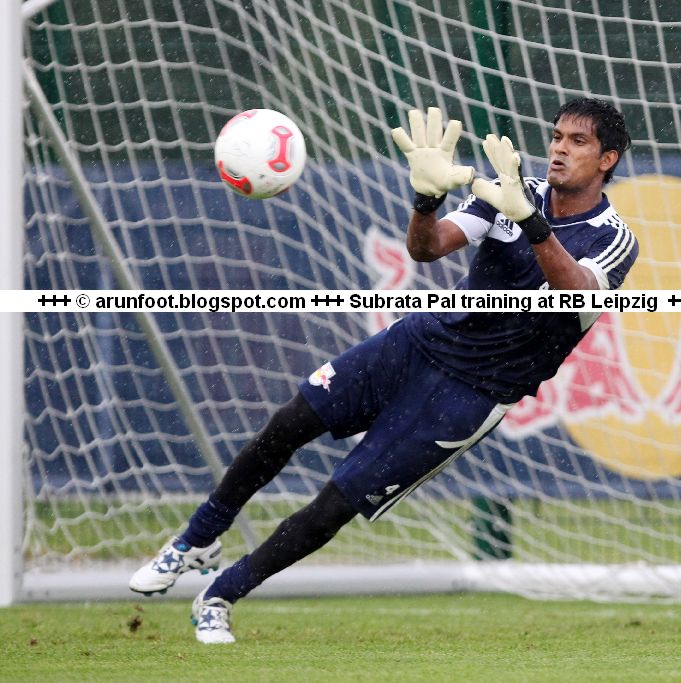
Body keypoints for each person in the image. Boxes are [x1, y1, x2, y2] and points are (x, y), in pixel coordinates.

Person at [128, 97, 637, 644]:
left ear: (606, 159)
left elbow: (575, 290)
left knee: (334, 505)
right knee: (289, 422)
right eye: (557, 136)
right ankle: (196, 539)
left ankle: (220, 595)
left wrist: (530, 223)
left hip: (474, 393)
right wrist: (426, 200)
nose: (559, 149)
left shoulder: (612, 238)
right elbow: (427, 248)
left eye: (578, 142)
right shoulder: (511, 191)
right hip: (420, 341)